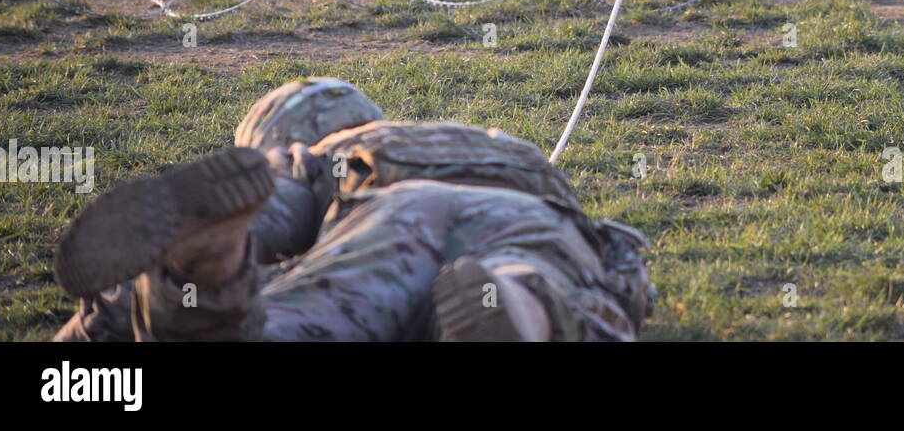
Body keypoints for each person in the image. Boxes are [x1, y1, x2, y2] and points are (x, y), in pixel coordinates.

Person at [53, 77, 652, 342]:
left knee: (294, 320)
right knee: (543, 282)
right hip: (527, 219)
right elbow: (605, 260)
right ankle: (517, 313)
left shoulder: (325, 157)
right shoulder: (502, 146)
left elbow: (278, 215)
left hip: (393, 217)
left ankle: (208, 266)